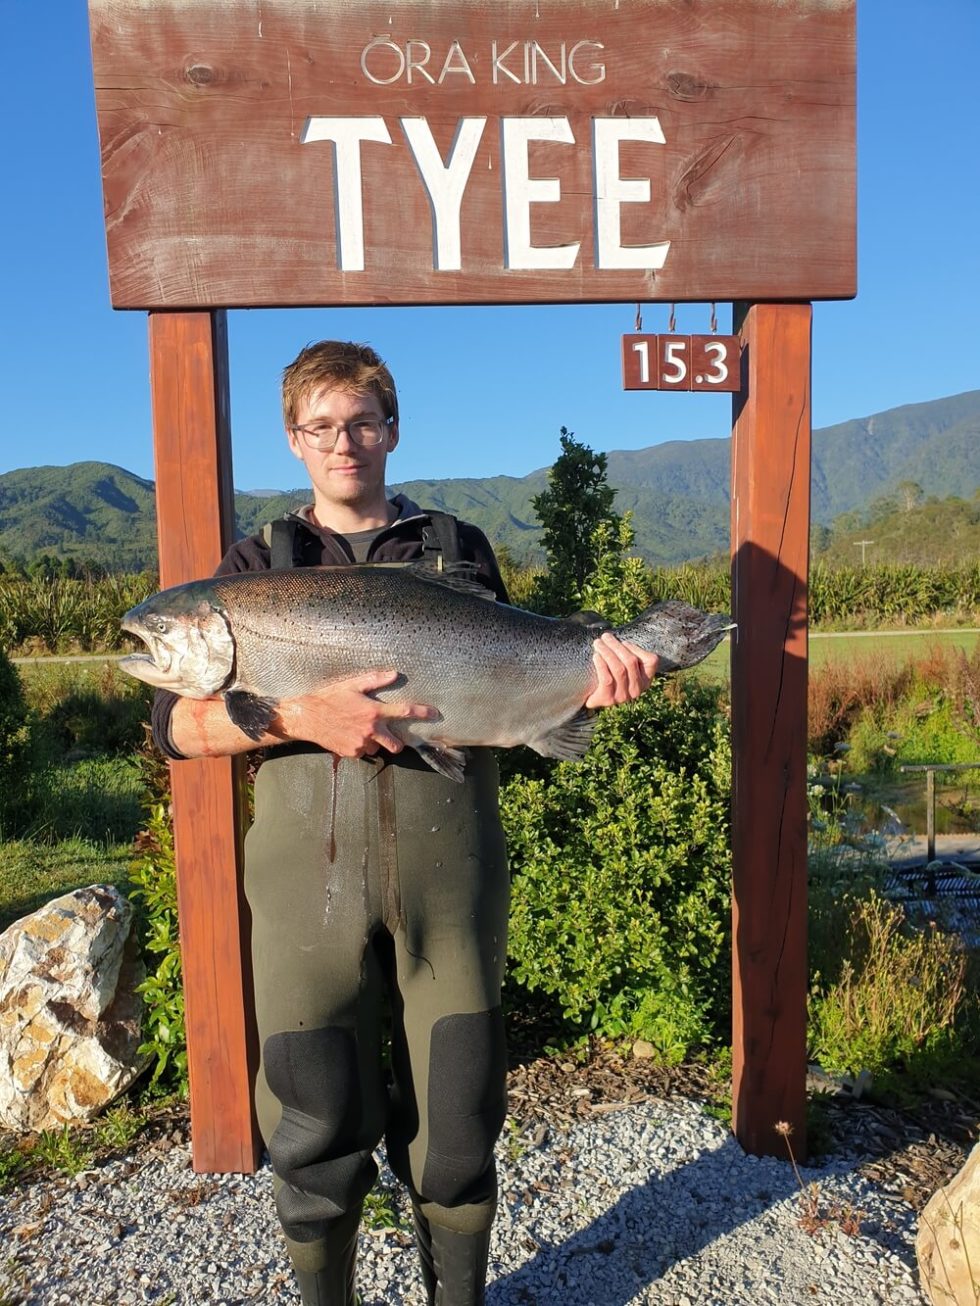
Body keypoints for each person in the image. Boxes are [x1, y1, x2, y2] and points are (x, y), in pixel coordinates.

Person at [150, 340, 658, 1306]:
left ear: (392, 429)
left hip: (451, 884)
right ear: (294, 438)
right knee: (314, 1127)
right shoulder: (254, 570)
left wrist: (596, 680)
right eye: (323, 426)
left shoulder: (456, 547)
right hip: (308, 903)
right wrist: (302, 716)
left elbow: (519, 677)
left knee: (460, 1125)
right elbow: (173, 727)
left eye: (364, 422)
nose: (346, 443)